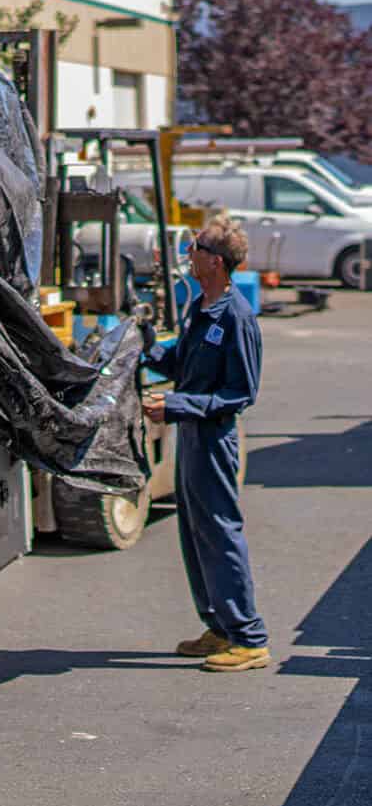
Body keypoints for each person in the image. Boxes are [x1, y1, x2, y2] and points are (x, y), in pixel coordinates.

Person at [142, 216, 269, 671]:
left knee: (219, 533)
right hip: (193, 436)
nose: (188, 254)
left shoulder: (236, 316)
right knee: (195, 533)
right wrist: (142, 343)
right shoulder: (200, 305)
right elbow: (177, 358)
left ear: (214, 260)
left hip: (215, 439)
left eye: (194, 247)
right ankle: (219, 625)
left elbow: (241, 392)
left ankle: (249, 638)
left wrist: (177, 405)